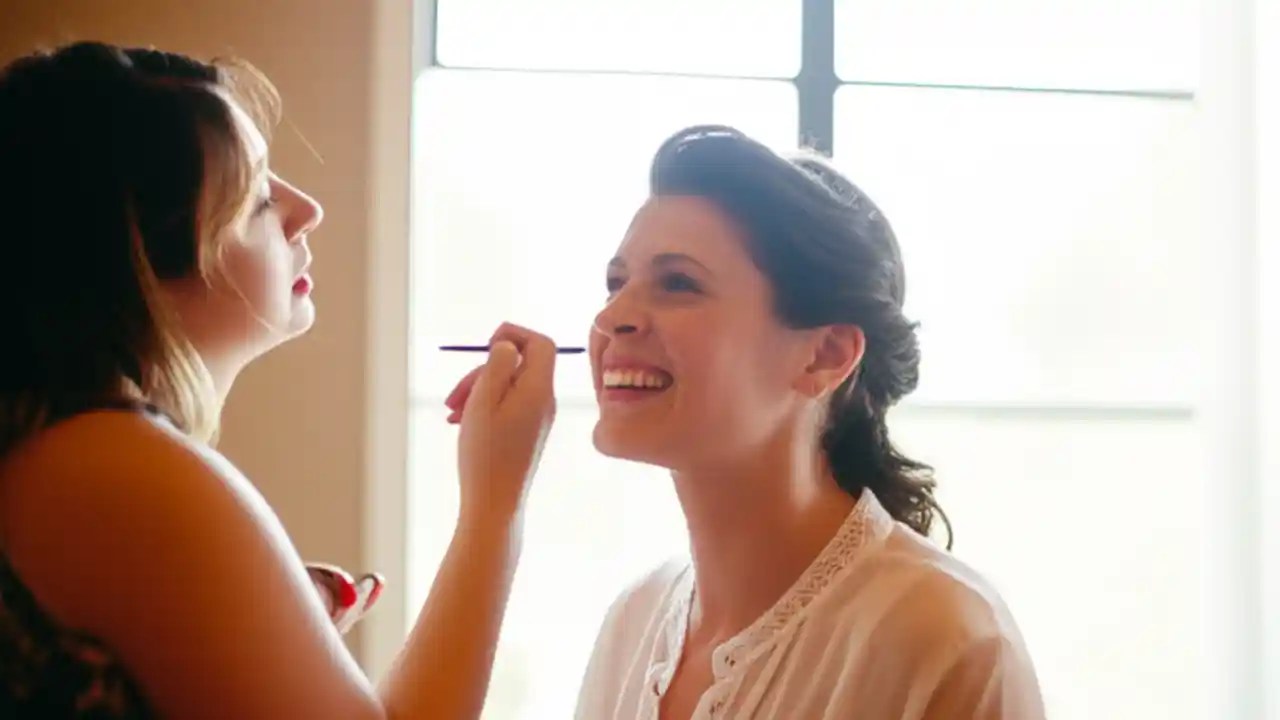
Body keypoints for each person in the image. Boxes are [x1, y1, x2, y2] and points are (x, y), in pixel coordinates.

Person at [0, 41, 557, 719]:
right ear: (141, 261)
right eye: (257, 199)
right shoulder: (119, 470)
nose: (306, 209)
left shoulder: (70, 453)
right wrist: (495, 507)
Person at [574, 126, 1045, 719]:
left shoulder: (945, 637)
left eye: (678, 283)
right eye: (616, 283)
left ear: (824, 356)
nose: (612, 316)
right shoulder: (635, 619)